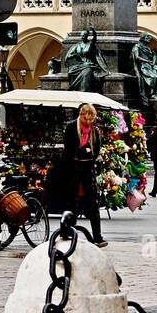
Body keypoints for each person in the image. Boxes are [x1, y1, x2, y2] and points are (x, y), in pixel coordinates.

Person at [63, 102, 108, 247]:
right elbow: (68, 148)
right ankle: (68, 232)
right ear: (80, 115)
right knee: (72, 200)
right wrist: (81, 152)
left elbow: (97, 149)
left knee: (93, 202)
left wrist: (88, 153)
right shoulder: (71, 127)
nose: (88, 122)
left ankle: (97, 236)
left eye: (90, 119)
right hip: (73, 167)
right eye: (85, 119)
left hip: (88, 166)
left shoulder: (94, 131)